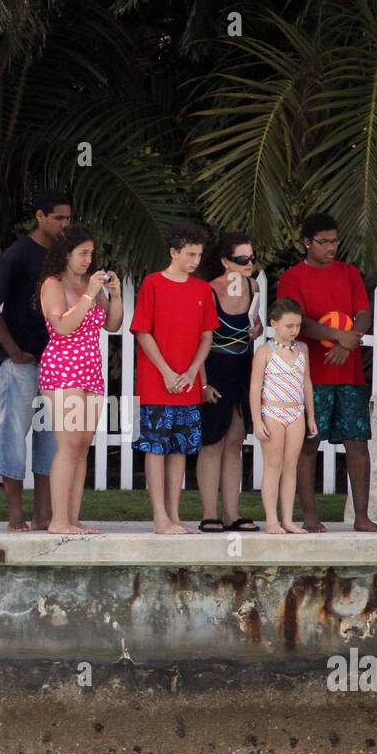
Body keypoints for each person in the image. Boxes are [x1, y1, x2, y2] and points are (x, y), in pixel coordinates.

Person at [278, 213, 377, 532]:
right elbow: (298, 321)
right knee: (309, 443)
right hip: (311, 376)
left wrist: (348, 344)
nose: (331, 247)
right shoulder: (293, 277)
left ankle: (361, 517)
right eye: (324, 242)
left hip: (349, 374)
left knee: (357, 443)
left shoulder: (349, 273)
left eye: (335, 241)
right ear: (307, 243)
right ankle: (310, 515)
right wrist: (339, 336)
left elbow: (364, 313)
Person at [0, 191, 71, 531]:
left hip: (56, 361)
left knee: (50, 437)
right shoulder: (17, 255)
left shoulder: (63, 256)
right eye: (59, 218)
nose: (65, 224)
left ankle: (43, 514)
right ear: (41, 216)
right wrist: (13, 350)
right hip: (19, 360)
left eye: (68, 218)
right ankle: (15, 513)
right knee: (13, 434)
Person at [130, 223, 219, 534]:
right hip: (156, 383)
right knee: (155, 449)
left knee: (179, 448)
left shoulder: (202, 290)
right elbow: (142, 331)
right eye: (190, 254)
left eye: (198, 254)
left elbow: (206, 336)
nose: (195, 260)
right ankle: (159, 517)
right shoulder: (153, 284)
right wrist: (167, 372)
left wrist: (193, 371)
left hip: (187, 382)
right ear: (174, 252)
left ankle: (174, 515)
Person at [37, 224, 123, 534]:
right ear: (66, 254)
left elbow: (113, 326)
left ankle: (72, 518)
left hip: (90, 368)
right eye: (82, 253)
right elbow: (61, 326)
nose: (88, 259)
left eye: (91, 253)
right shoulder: (53, 284)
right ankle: (58, 520)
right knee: (68, 444)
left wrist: (115, 296)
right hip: (63, 368)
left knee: (83, 444)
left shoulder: (92, 285)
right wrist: (87, 296)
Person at [195, 234, 263, 533]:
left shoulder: (253, 286)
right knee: (213, 442)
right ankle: (210, 512)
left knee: (235, 441)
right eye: (242, 260)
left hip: (243, 368)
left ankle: (231, 513)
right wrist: (203, 383)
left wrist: (257, 328)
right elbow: (199, 341)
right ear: (225, 262)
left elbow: (253, 325)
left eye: (252, 258)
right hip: (215, 368)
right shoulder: (208, 291)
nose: (249, 264)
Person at [250, 299, 315, 534]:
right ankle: (271, 519)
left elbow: (306, 384)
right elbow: (255, 387)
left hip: (296, 411)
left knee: (291, 466)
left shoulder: (302, 350)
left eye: (297, 325)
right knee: (273, 465)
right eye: (289, 325)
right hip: (272, 411)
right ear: (274, 324)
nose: (294, 330)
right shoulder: (265, 351)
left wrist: (310, 417)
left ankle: (287, 519)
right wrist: (257, 420)